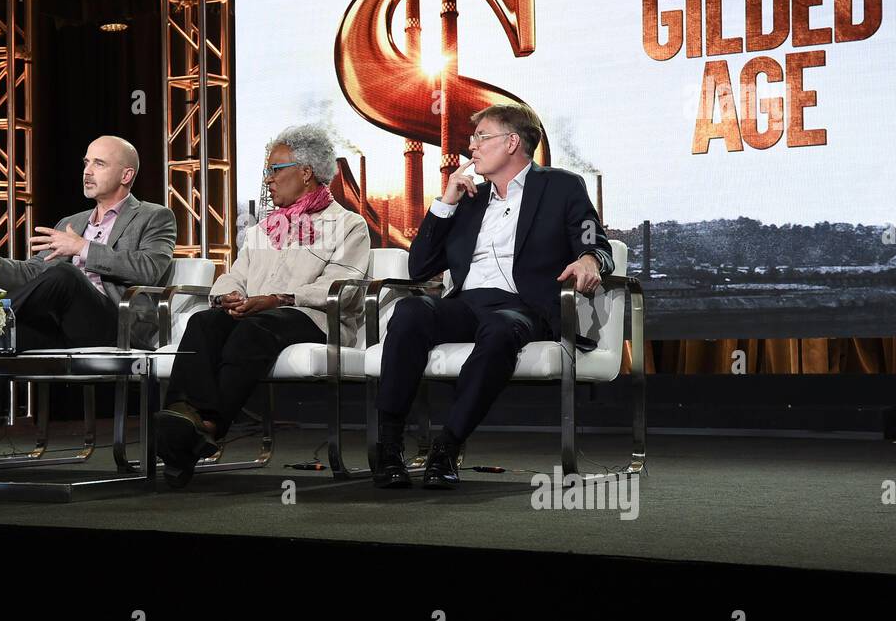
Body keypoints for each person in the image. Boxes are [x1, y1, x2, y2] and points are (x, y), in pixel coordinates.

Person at [373, 100, 614, 490]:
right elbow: (419, 268)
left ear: (512, 142)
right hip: (467, 304)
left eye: (482, 137)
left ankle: (447, 447)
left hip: (524, 307)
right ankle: (388, 446)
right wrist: (445, 203)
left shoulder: (561, 186)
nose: (472, 147)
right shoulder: (469, 199)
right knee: (411, 312)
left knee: (502, 331)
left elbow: (594, 240)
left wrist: (589, 259)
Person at [0, 135, 176, 468]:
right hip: (63, 327)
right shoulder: (72, 223)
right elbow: (28, 275)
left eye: (99, 163)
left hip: (116, 326)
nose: (87, 171)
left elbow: (150, 269)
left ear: (126, 175)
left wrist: (83, 249)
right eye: (86, 162)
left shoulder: (154, 216)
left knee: (63, 278)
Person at [154, 124, 370, 489]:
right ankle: (185, 416)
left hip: (314, 318)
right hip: (255, 313)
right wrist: (227, 297)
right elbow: (234, 276)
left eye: (275, 170)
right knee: (205, 322)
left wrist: (279, 298)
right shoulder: (261, 230)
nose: (267, 180)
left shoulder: (348, 224)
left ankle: (207, 426)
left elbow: (341, 289)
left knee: (257, 328)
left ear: (306, 172)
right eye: (267, 171)